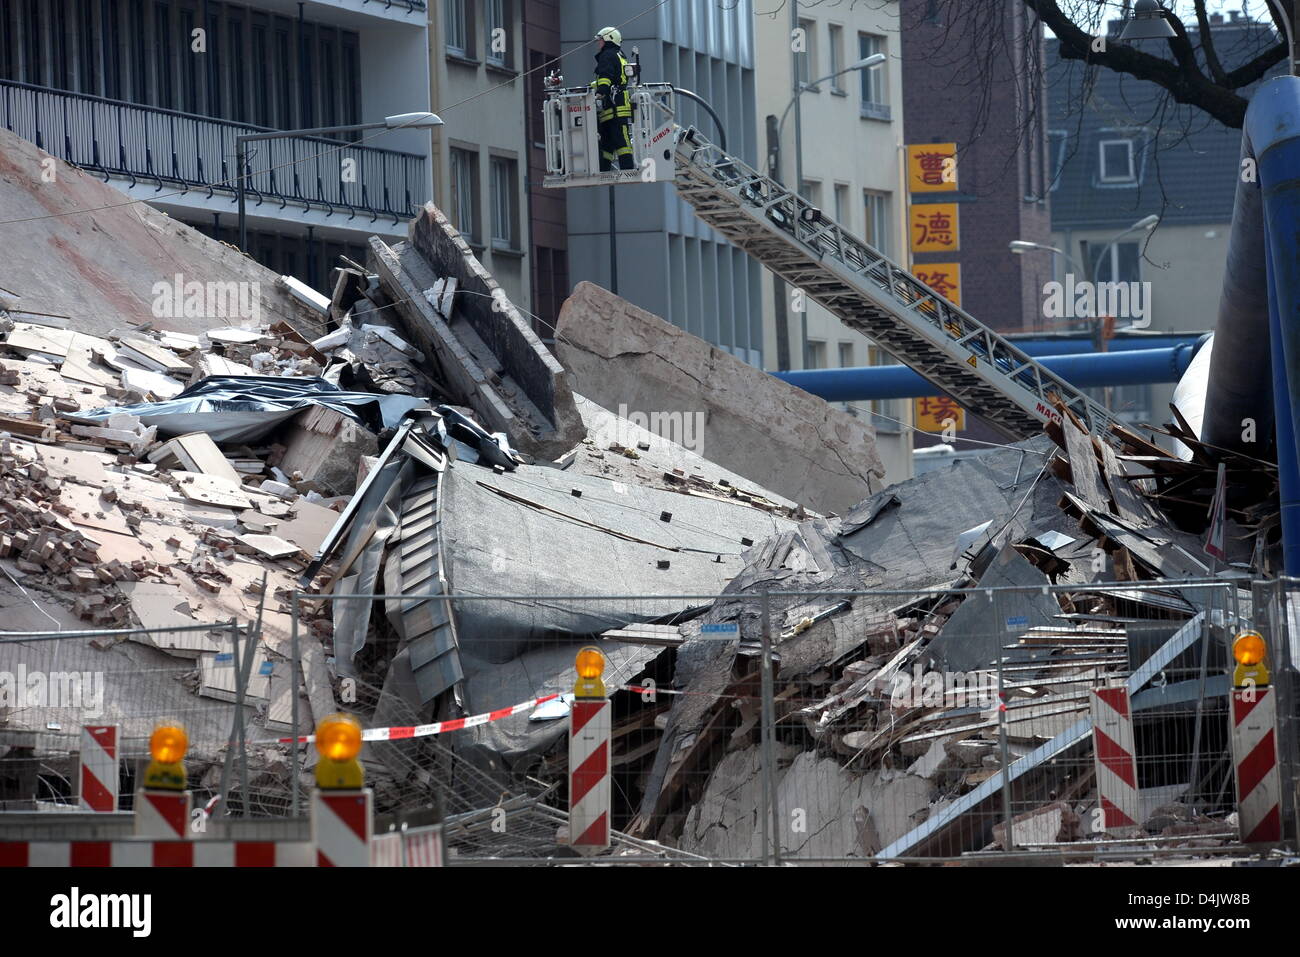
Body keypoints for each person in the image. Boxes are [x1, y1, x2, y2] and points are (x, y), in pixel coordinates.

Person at [592, 26, 634, 171]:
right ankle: (604, 169)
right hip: (614, 105)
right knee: (607, 141)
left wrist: (600, 92)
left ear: (608, 39)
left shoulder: (608, 55)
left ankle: (627, 168)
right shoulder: (619, 55)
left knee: (620, 139)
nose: (599, 43)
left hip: (615, 106)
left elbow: (606, 76)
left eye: (601, 40)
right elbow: (615, 77)